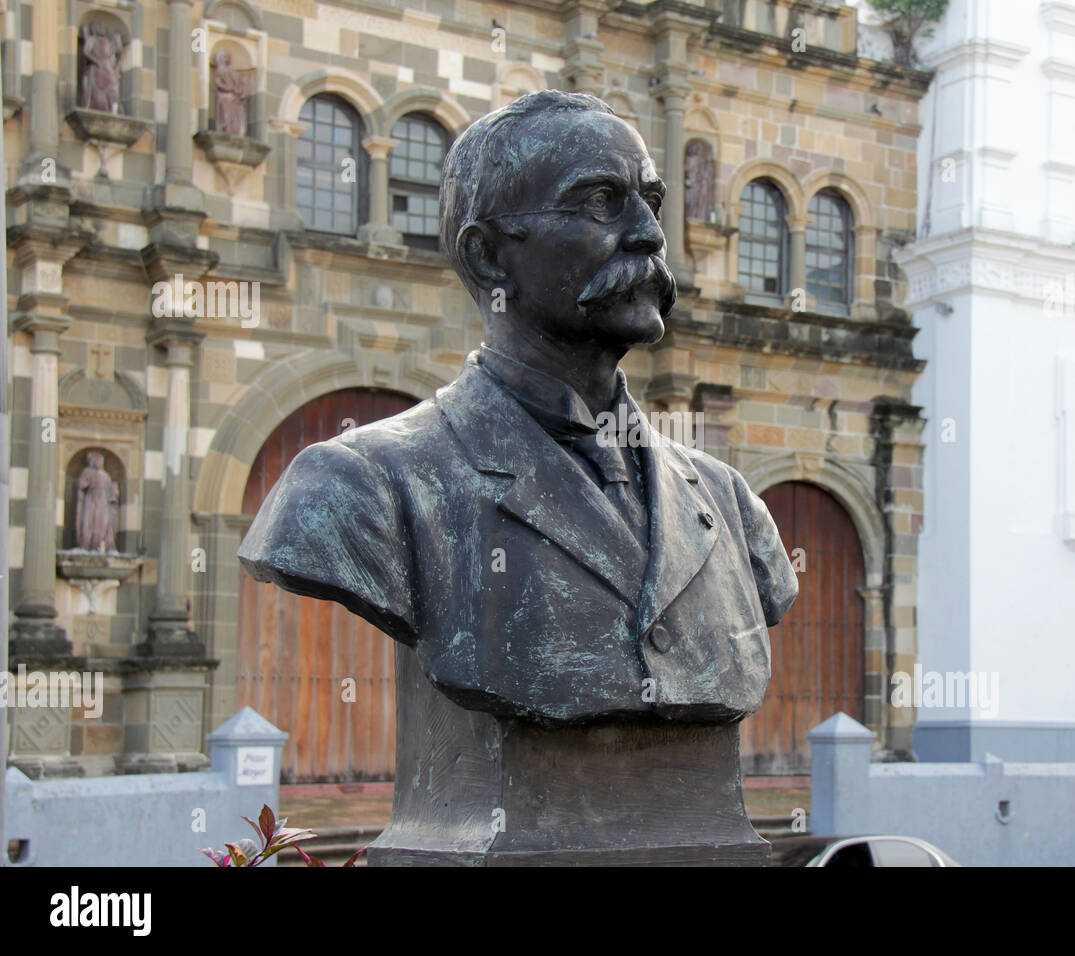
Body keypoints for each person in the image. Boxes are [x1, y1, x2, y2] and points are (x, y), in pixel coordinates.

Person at [239, 91, 798, 725]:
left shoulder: (730, 504)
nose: (648, 233)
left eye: (652, 201)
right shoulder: (357, 486)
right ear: (486, 254)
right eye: (598, 202)